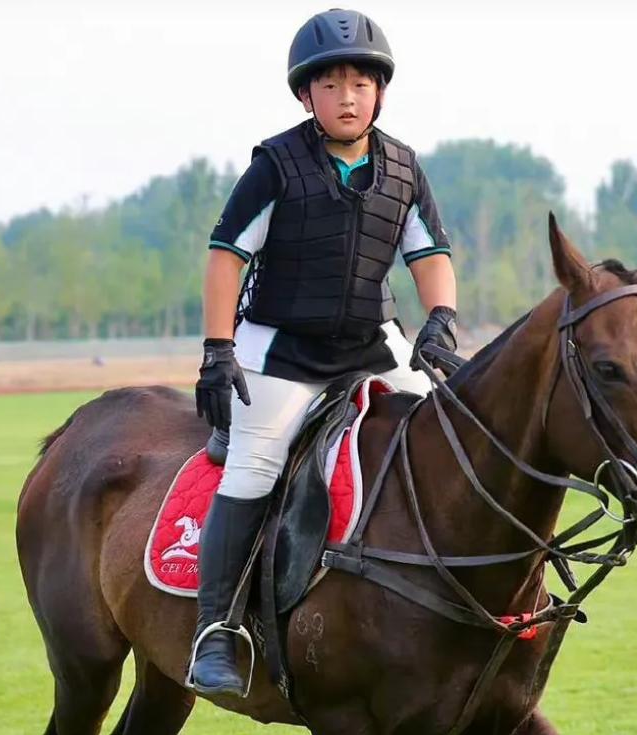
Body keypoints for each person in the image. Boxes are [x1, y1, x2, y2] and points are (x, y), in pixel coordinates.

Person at [185, 8, 459, 696]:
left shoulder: (404, 167)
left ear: (379, 93)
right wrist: (218, 350)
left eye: (360, 84)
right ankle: (216, 630)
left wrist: (441, 320)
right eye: (330, 85)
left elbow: (429, 253)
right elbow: (226, 256)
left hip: (373, 344)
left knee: (450, 434)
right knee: (254, 465)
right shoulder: (274, 166)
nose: (347, 97)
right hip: (282, 350)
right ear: (306, 96)